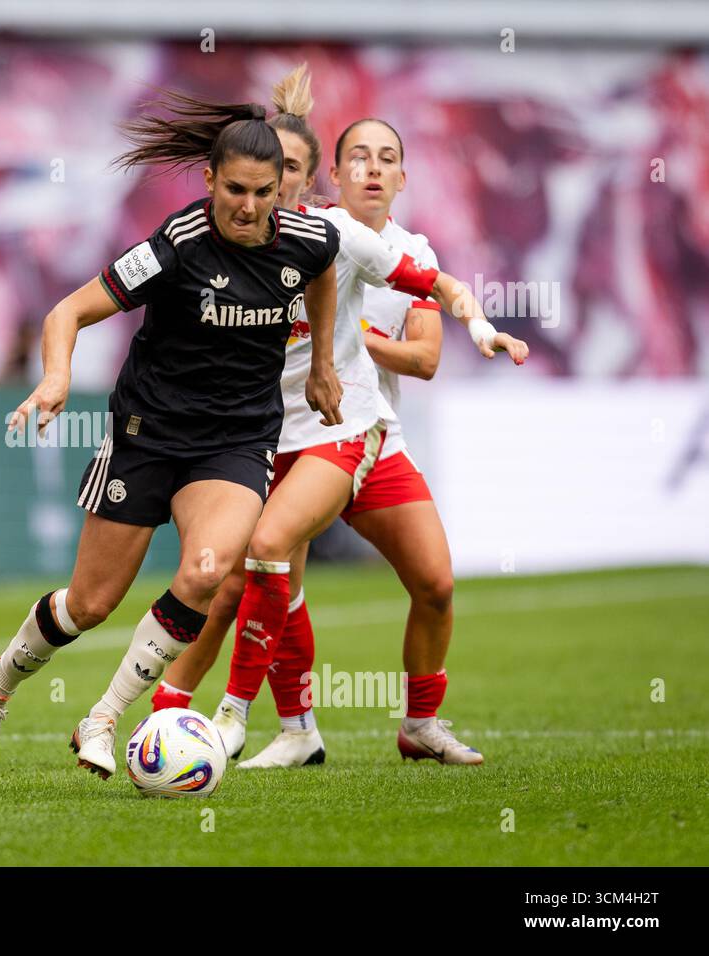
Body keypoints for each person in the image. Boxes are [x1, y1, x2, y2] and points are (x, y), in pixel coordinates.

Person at [0, 88, 346, 778]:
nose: (249, 207)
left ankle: (103, 718)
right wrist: (53, 380)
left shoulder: (311, 240)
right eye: (234, 191)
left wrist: (321, 365)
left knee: (205, 571)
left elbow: (322, 276)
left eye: (263, 192)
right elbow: (67, 312)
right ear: (209, 181)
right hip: (147, 433)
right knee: (90, 604)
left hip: (236, 440)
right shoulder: (177, 245)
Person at [152, 66, 529, 768]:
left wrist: (362, 343)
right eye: (359, 157)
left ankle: (408, 721)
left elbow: (425, 353)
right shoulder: (273, 237)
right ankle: (270, 724)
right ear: (332, 172)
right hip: (272, 437)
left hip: (356, 429)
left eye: (388, 159)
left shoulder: (371, 246)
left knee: (433, 583)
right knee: (261, 580)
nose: (373, 170)